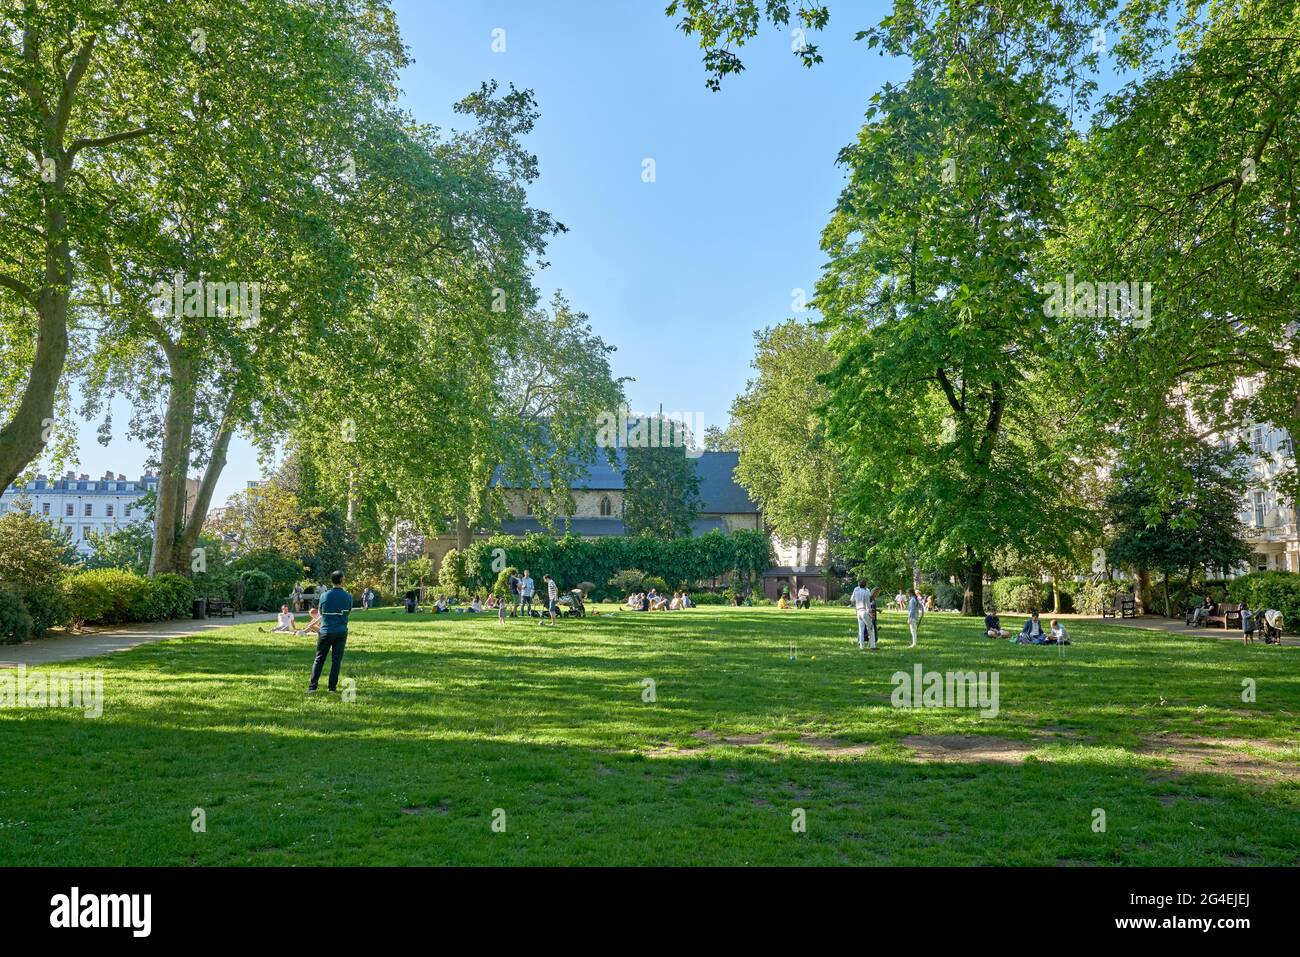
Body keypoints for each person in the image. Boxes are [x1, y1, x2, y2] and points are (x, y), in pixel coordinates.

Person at [308, 570, 353, 693]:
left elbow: (321, 613)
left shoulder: (324, 596)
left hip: (326, 631)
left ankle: (312, 687)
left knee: (319, 659)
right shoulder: (348, 596)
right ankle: (332, 688)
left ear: (331, 581)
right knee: (336, 661)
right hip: (341, 631)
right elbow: (348, 612)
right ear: (342, 580)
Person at [851, 579, 876, 650]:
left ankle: (861, 647)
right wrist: (871, 613)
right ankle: (872, 646)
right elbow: (868, 605)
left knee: (861, 630)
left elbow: (852, 600)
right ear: (865, 585)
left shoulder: (856, 591)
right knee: (871, 628)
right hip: (865, 612)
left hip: (858, 611)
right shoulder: (866, 592)